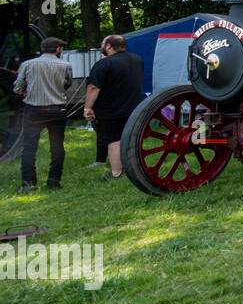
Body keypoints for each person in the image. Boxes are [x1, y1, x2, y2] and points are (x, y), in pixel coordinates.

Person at [13, 36, 74, 192]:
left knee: (29, 148)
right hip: (57, 109)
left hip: (34, 110)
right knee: (57, 147)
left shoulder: (28, 64)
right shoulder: (66, 65)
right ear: (58, 49)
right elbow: (66, 84)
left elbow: (17, 87)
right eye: (62, 47)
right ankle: (54, 181)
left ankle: (28, 183)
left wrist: (26, 92)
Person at [84, 34, 144, 180]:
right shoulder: (137, 59)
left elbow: (93, 87)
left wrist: (87, 108)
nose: (101, 46)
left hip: (110, 110)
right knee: (129, 138)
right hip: (134, 107)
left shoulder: (104, 64)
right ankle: (133, 168)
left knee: (113, 140)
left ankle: (116, 173)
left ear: (109, 46)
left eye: (102, 44)